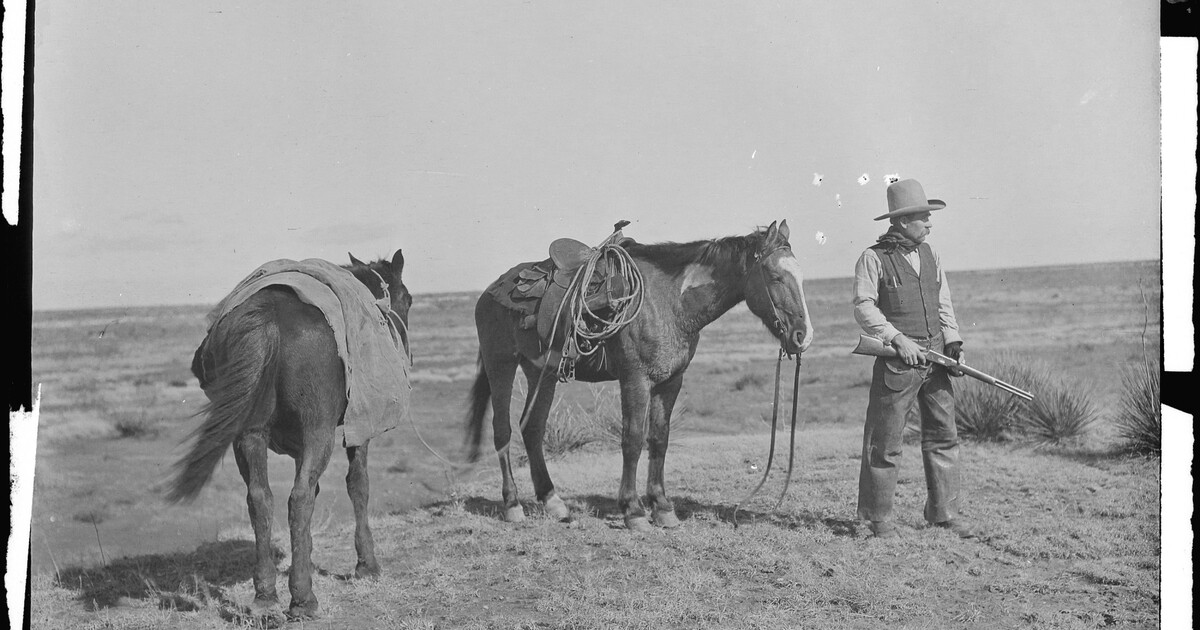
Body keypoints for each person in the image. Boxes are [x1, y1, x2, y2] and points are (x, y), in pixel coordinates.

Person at [852, 178, 979, 540]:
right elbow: (863, 307)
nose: (929, 223)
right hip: (897, 361)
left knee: (944, 436)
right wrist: (897, 338)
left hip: (936, 360)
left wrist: (953, 343)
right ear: (903, 220)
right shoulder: (873, 258)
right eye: (924, 217)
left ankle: (945, 513)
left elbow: (943, 303)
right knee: (885, 442)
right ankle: (876, 520)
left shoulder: (931, 254)